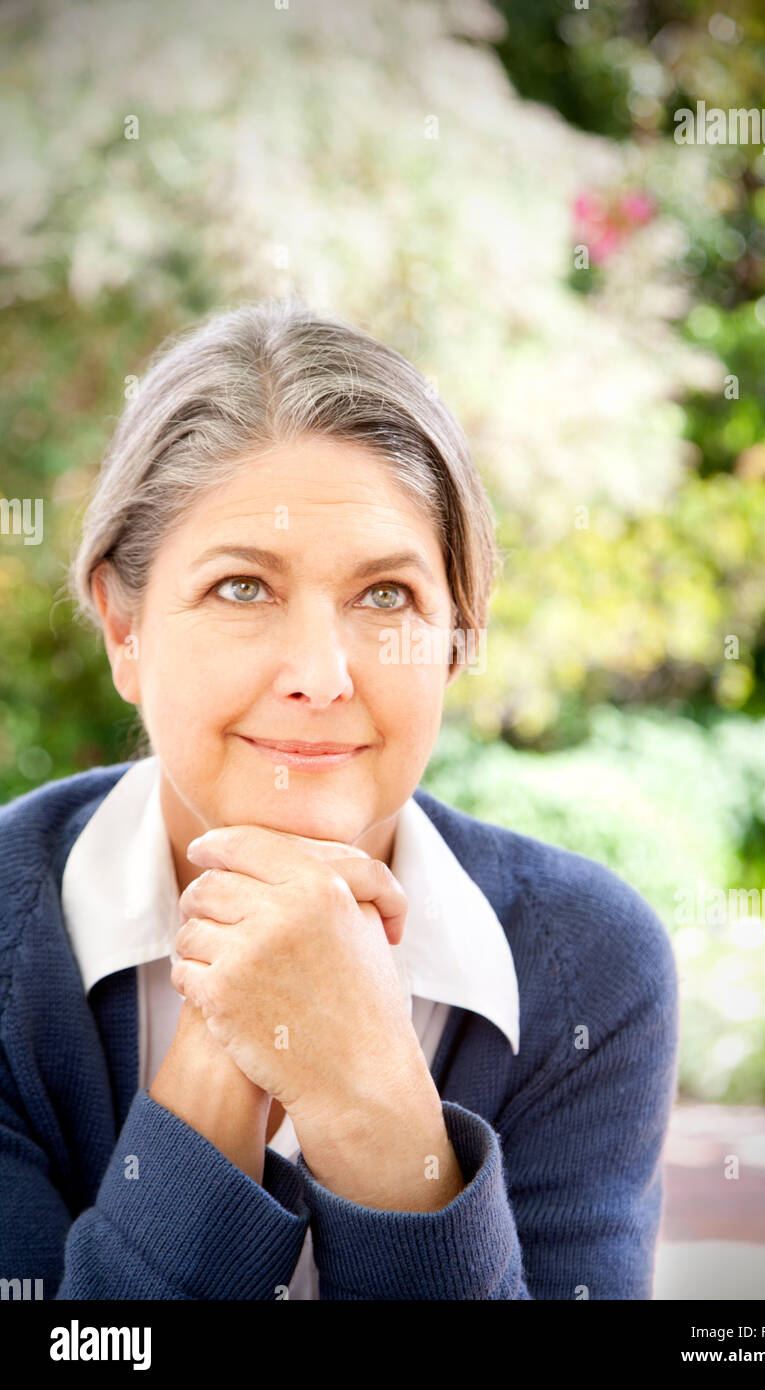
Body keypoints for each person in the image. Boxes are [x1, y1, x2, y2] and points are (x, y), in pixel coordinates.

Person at [0, 297, 678, 1300]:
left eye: (385, 596)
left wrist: (373, 1099)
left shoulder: (589, 966)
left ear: (456, 640)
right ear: (123, 628)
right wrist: (222, 1067)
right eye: (242, 587)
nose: (320, 673)